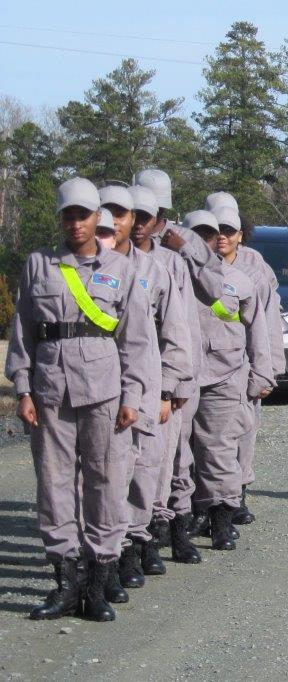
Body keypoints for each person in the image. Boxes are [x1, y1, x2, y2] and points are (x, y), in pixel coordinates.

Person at [7, 177, 151, 621]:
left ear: (97, 219)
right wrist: (23, 387)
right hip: (50, 390)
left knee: (106, 481)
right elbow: (23, 331)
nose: (75, 223)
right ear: (61, 218)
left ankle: (97, 582)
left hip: (106, 391)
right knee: (53, 484)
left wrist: (134, 394)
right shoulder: (39, 265)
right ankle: (65, 582)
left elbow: (138, 341)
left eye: (83, 215)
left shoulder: (123, 270)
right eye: (68, 215)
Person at [98, 185, 191, 598]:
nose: (117, 221)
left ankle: (135, 545)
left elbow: (174, 332)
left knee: (146, 466)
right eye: (110, 212)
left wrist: (169, 388)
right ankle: (102, 552)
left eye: (124, 214)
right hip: (97, 380)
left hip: (148, 377)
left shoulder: (156, 270)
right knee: (100, 470)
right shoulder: (79, 268)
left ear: (137, 220)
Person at [131, 169, 226, 558]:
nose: (141, 224)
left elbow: (216, 289)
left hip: (181, 365)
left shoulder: (180, 246)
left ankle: (177, 526)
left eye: (147, 216)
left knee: (178, 453)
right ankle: (143, 538)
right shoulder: (122, 249)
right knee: (139, 459)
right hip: (136, 368)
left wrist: (182, 381)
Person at [185, 210, 273, 550]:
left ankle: (221, 520)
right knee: (177, 455)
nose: (211, 240)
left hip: (224, 374)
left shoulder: (241, 279)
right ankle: (178, 523)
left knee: (218, 450)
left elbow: (260, 331)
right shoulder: (172, 274)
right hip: (177, 376)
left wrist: (262, 374)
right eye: (202, 234)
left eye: (217, 233)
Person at [207, 193, 284, 526]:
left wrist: (267, 371)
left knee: (241, 432)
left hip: (243, 365)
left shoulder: (255, 266)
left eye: (229, 228)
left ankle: (236, 496)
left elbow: (268, 321)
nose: (221, 236)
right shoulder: (190, 261)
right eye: (215, 228)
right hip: (202, 365)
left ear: (241, 232)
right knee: (204, 441)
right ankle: (205, 502)